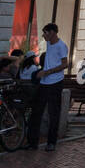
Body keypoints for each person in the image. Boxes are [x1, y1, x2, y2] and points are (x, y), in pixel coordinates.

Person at [24, 22, 69, 152]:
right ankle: (33, 143)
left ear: (52, 33)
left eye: (45, 32)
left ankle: (51, 142)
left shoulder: (61, 46)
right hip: (44, 82)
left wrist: (47, 72)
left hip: (55, 82)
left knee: (53, 113)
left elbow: (65, 64)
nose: (43, 35)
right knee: (36, 112)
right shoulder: (49, 43)